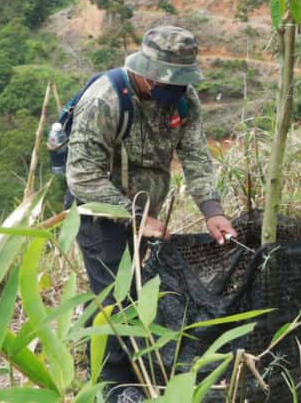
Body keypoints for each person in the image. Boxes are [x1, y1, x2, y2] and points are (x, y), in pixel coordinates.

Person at [66, 26, 238, 402]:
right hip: (100, 212)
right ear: (144, 71)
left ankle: (145, 367)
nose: (173, 87)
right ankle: (115, 387)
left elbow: (194, 155)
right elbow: (81, 174)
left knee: (145, 291)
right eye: (166, 80)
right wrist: (133, 216)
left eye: (180, 80)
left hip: (147, 215)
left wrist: (212, 211)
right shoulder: (105, 101)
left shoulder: (181, 98)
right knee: (117, 298)